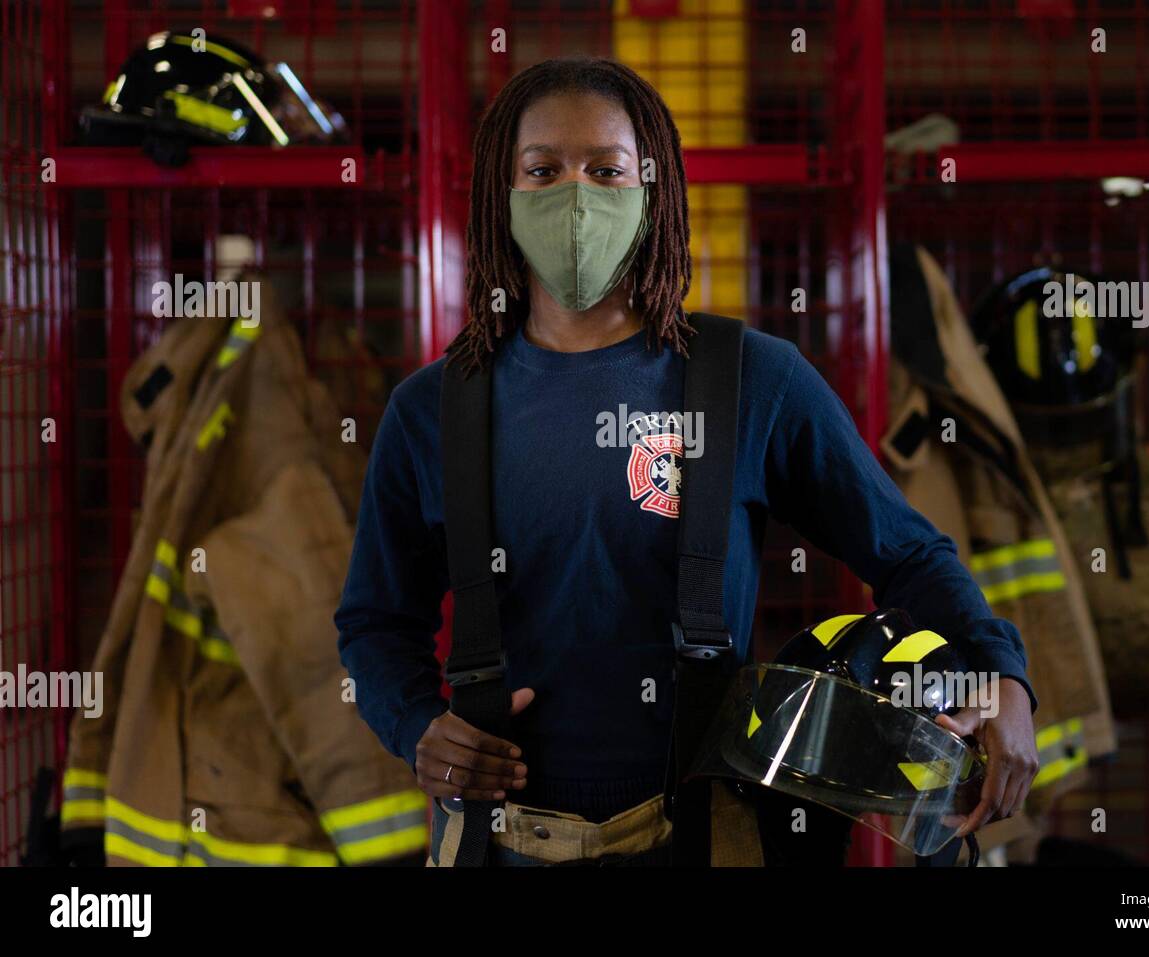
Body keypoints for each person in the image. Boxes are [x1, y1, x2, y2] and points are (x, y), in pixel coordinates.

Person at [334, 55, 1039, 867]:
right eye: (543, 170)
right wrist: (417, 723)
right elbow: (376, 623)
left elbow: (910, 553)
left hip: (707, 838)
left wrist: (1002, 677)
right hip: (497, 843)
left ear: (652, 189)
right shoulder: (433, 411)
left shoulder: (750, 380)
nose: (576, 196)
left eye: (606, 169)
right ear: (503, 192)